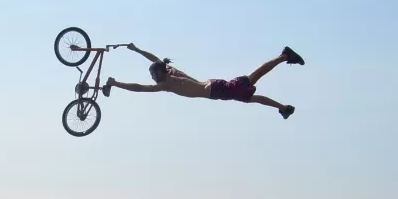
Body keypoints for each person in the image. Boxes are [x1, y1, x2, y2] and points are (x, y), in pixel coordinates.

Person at [103, 42, 304, 119]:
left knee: (253, 78)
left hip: (218, 90)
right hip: (217, 90)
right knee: (250, 98)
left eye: (153, 76)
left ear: (160, 75)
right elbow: (155, 59)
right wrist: (137, 50)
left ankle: (284, 56)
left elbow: (140, 88)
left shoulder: (168, 83)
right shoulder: (172, 73)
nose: (153, 80)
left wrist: (116, 83)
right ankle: (283, 108)